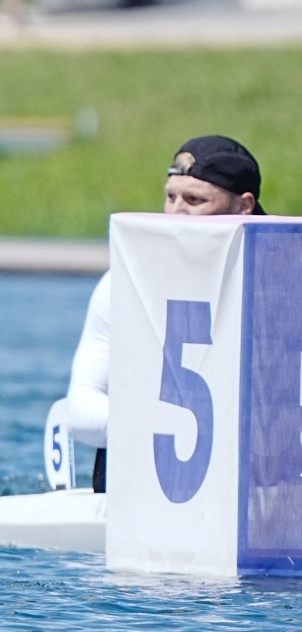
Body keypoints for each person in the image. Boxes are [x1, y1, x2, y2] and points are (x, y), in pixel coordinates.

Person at [66, 135, 265, 493]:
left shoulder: (280, 287)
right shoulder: (120, 287)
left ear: (244, 206)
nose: (175, 213)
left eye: (194, 200)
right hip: (138, 492)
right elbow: (80, 412)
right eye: (171, 196)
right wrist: (176, 426)